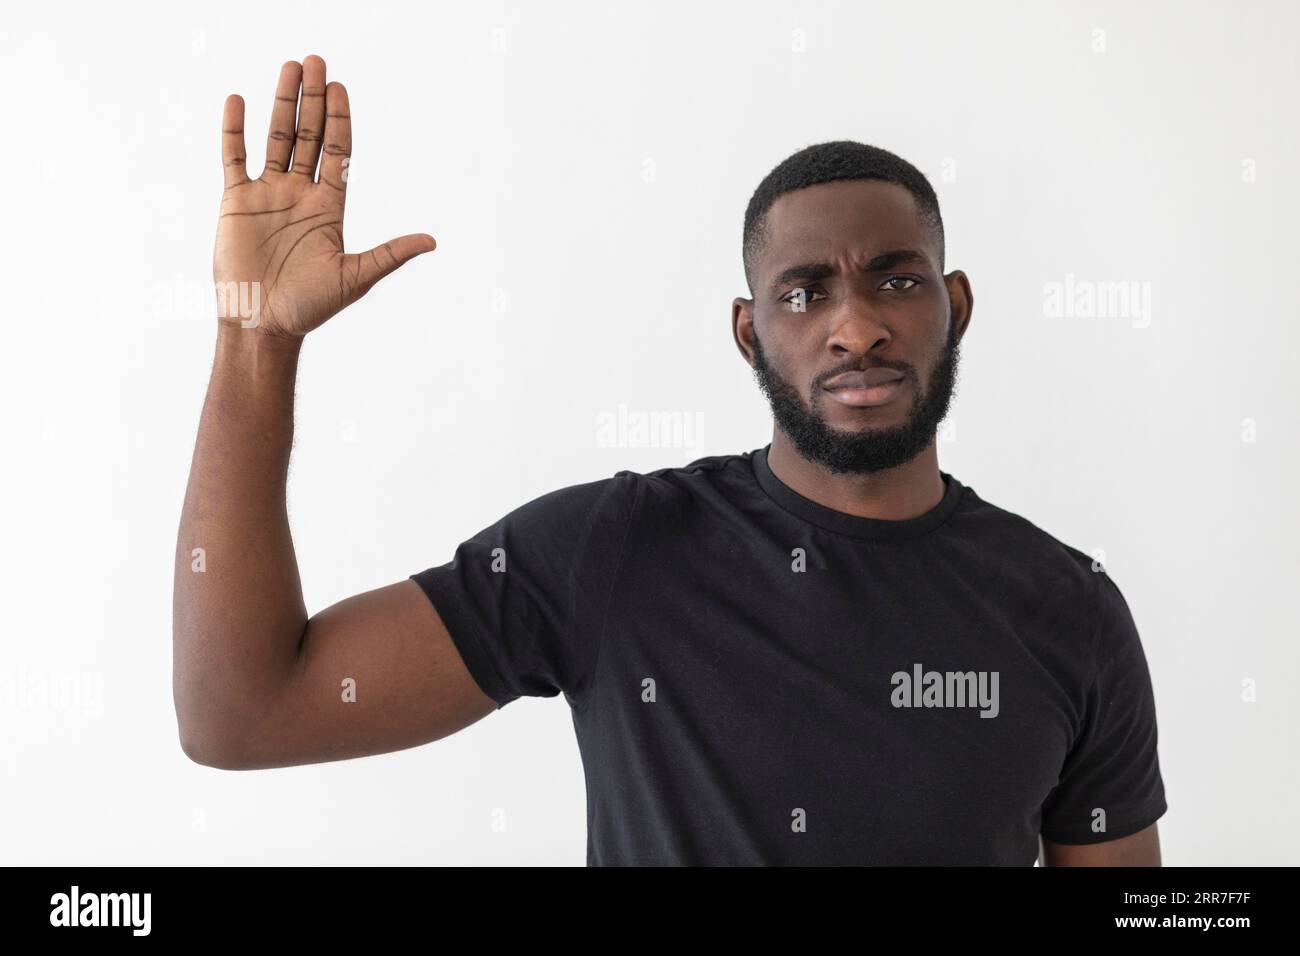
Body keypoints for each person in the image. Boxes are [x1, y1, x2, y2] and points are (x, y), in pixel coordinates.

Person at [174, 54, 1167, 867]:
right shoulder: (614, 548)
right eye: (803, 292)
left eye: (894, 279)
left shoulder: (1068, 609)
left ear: (953, 304)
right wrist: (256, 337)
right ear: (747, 332)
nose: (854, 326)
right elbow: (243, 714)